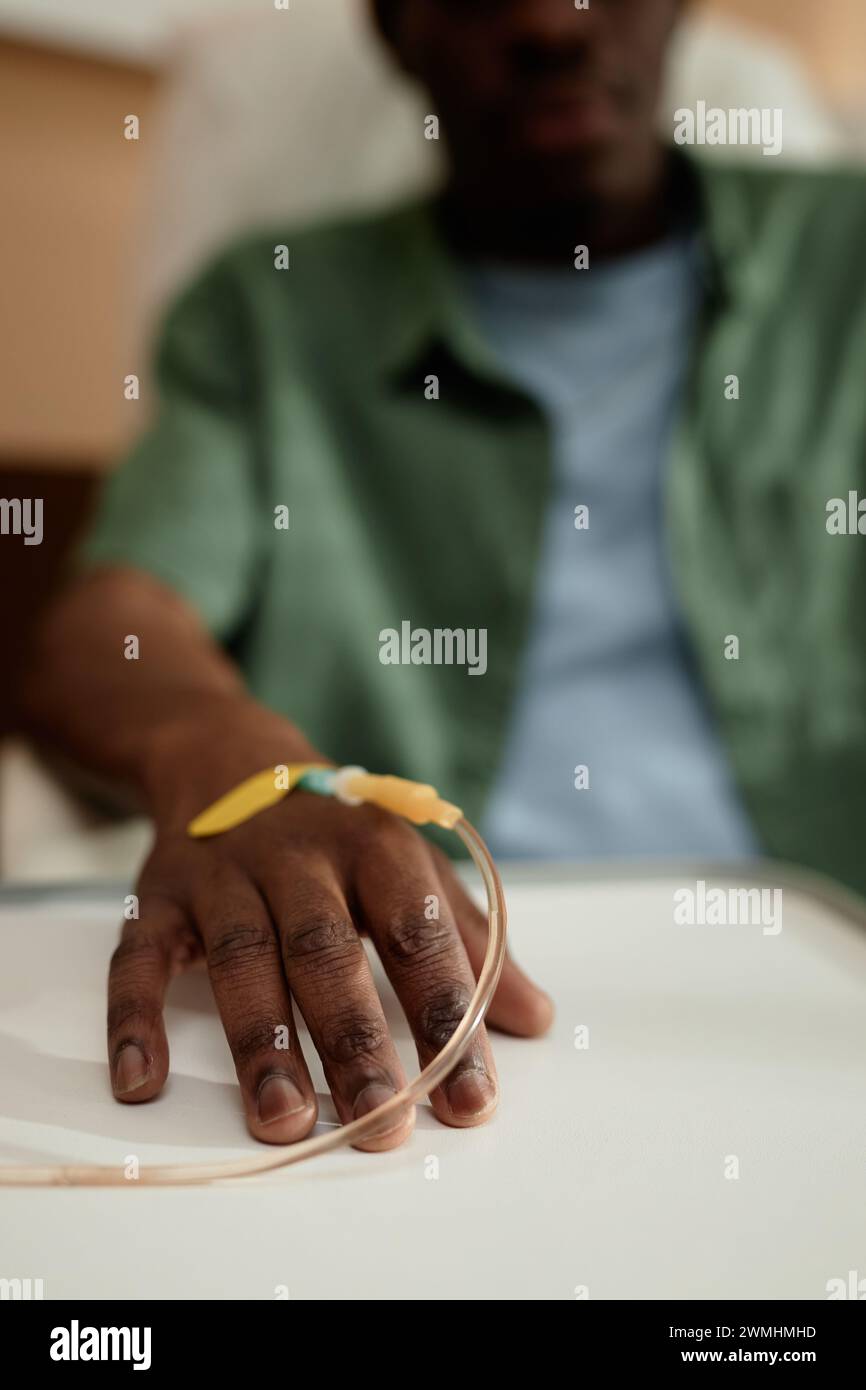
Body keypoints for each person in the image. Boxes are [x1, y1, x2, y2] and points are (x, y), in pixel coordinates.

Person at [21, 0, 866, 1150]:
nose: (545, 20)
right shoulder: (270, 316)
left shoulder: (846, 269)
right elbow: (114, 619)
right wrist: (235, 766)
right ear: (392, 29)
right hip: (396, 1009)